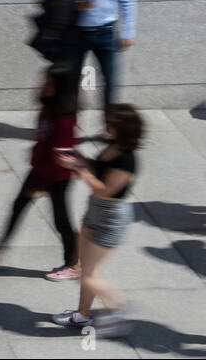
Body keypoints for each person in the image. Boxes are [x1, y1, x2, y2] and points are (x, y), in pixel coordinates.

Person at [0, 66, 80, 280]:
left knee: (61, 220)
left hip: (56, 177)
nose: (42, 85)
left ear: (59, 88)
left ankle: (73, 264)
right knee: (18, 207)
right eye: (43, 80)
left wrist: (42, 184)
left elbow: (61, 158)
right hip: (40, 170)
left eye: (47, 83)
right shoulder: (48, 106)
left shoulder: (63, 119)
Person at [52, 104, 143, 335]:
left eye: (110, 124)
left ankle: (120, 306)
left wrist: (79, 169)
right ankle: (82, 315)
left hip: (110, 219)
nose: (106, 127)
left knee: (86, 274)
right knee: (84, 268)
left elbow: (104, 190)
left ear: (123, 129)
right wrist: (81, 159)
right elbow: (99, 169)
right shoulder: (112, 146)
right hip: (95, 212)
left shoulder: (127, 161)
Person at [48, 0, 137, 119]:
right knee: (70, 80)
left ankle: (110, 126)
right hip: (76, 33)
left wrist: (128, 31)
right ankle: (68, 125)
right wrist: (74, 3)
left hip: (105, 31)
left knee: (110, 81)